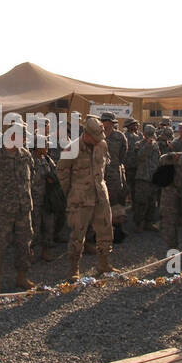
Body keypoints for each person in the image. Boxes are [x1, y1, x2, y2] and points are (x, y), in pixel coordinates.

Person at [57, 116, 114, 279]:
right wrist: (72, 191)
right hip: (80, 198)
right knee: (77, 234)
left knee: (105, 229)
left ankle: (103, 263)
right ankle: (74, 268)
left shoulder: (102, 145)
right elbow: (61, 171)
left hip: (100, 195)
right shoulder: (72, 148)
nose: (98, 141)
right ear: (86, 134)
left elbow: (105, 164)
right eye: (95, 138)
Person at [0, 124, 35, 294]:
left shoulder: (25, 155)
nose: (24, 140)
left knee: (24, 244)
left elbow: (30, 176)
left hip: (23, 209)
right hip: (0, 210)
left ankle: (21, 276)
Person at [29, 141, 60, 262]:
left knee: (48, 225)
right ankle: (30, 251)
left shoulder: (47, 159)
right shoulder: (30, 160)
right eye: (44, 144)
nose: (47, 147)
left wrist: (52, 178)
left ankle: (45, 251)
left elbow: (55, 172)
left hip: (47, 199)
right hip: (34, 199)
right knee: (33, 227)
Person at [131, 122, 161, 232]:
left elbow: (158, 159)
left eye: (151, 134)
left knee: (152, 202)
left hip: (153, 177)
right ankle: (139, 223)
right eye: (148, 134)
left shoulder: (156, 144)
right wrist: (147, 144)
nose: (149, 136)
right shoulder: (139, 144)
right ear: (144, 134)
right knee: (141, 202)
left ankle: (149, 222)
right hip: (142, 178)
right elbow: (140, 156)